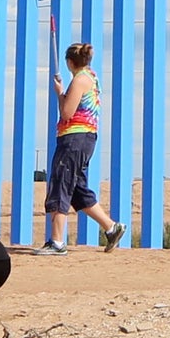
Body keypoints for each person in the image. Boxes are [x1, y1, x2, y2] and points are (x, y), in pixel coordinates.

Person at [41, 42, 126, 255]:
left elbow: (66, 113)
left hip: (74, 139)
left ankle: (57, 242)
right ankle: (111, 227)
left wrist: (60, 93)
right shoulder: (91, 76)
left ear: (70, 62)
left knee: (60, 183)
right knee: (77, 189)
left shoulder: (79, 80)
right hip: (85, 138)